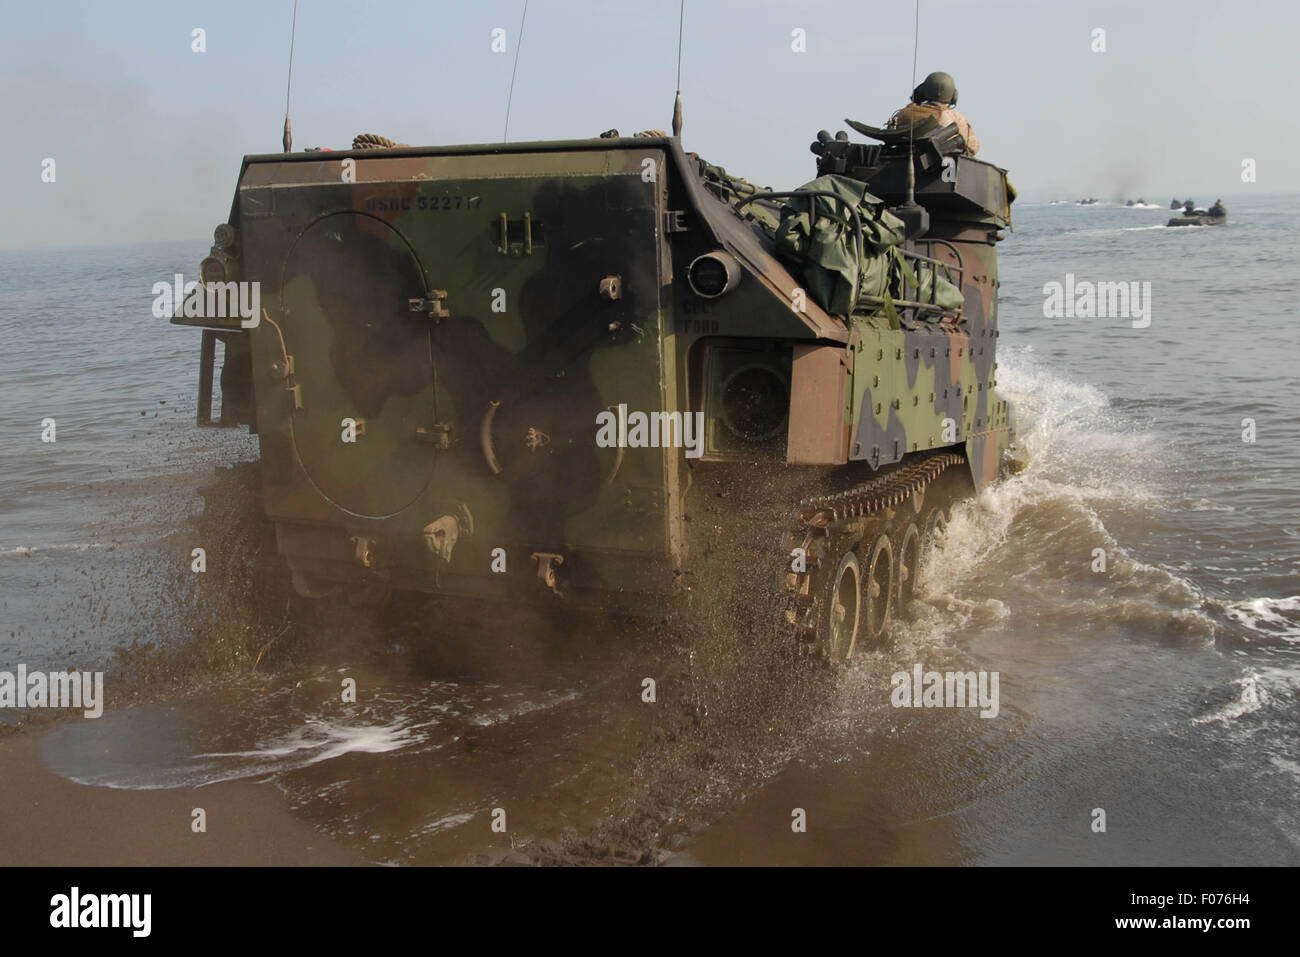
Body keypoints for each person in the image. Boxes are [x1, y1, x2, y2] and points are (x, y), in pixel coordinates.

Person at [886, 71, 979, 156]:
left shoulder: (903, 113)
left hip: (899, 164)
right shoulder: (955, 117)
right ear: (953, 96)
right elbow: (973, 147)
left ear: (922, 91)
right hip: (940, 169)